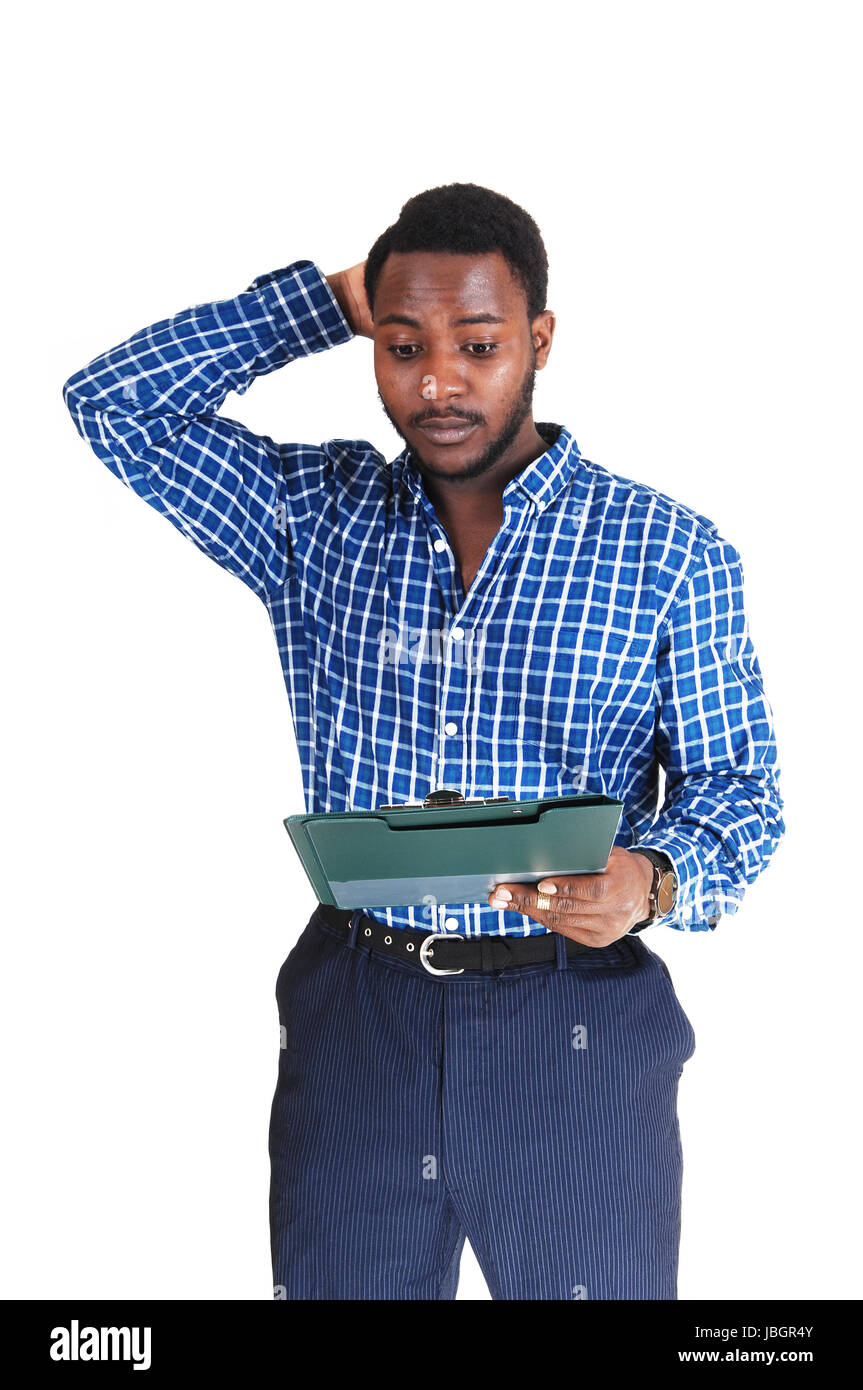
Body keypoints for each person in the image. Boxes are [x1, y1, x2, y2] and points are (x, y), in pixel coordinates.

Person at [62, 182, 785, 1301]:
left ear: (539, 340)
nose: (438, 381)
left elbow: (738, 784)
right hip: (361, 1018)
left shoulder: (667, 553)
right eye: (402, 346)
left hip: (573, 1024)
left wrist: (649, 877)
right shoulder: (312, 517)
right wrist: (320, 304)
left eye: (480, 344)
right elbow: (114, 405)